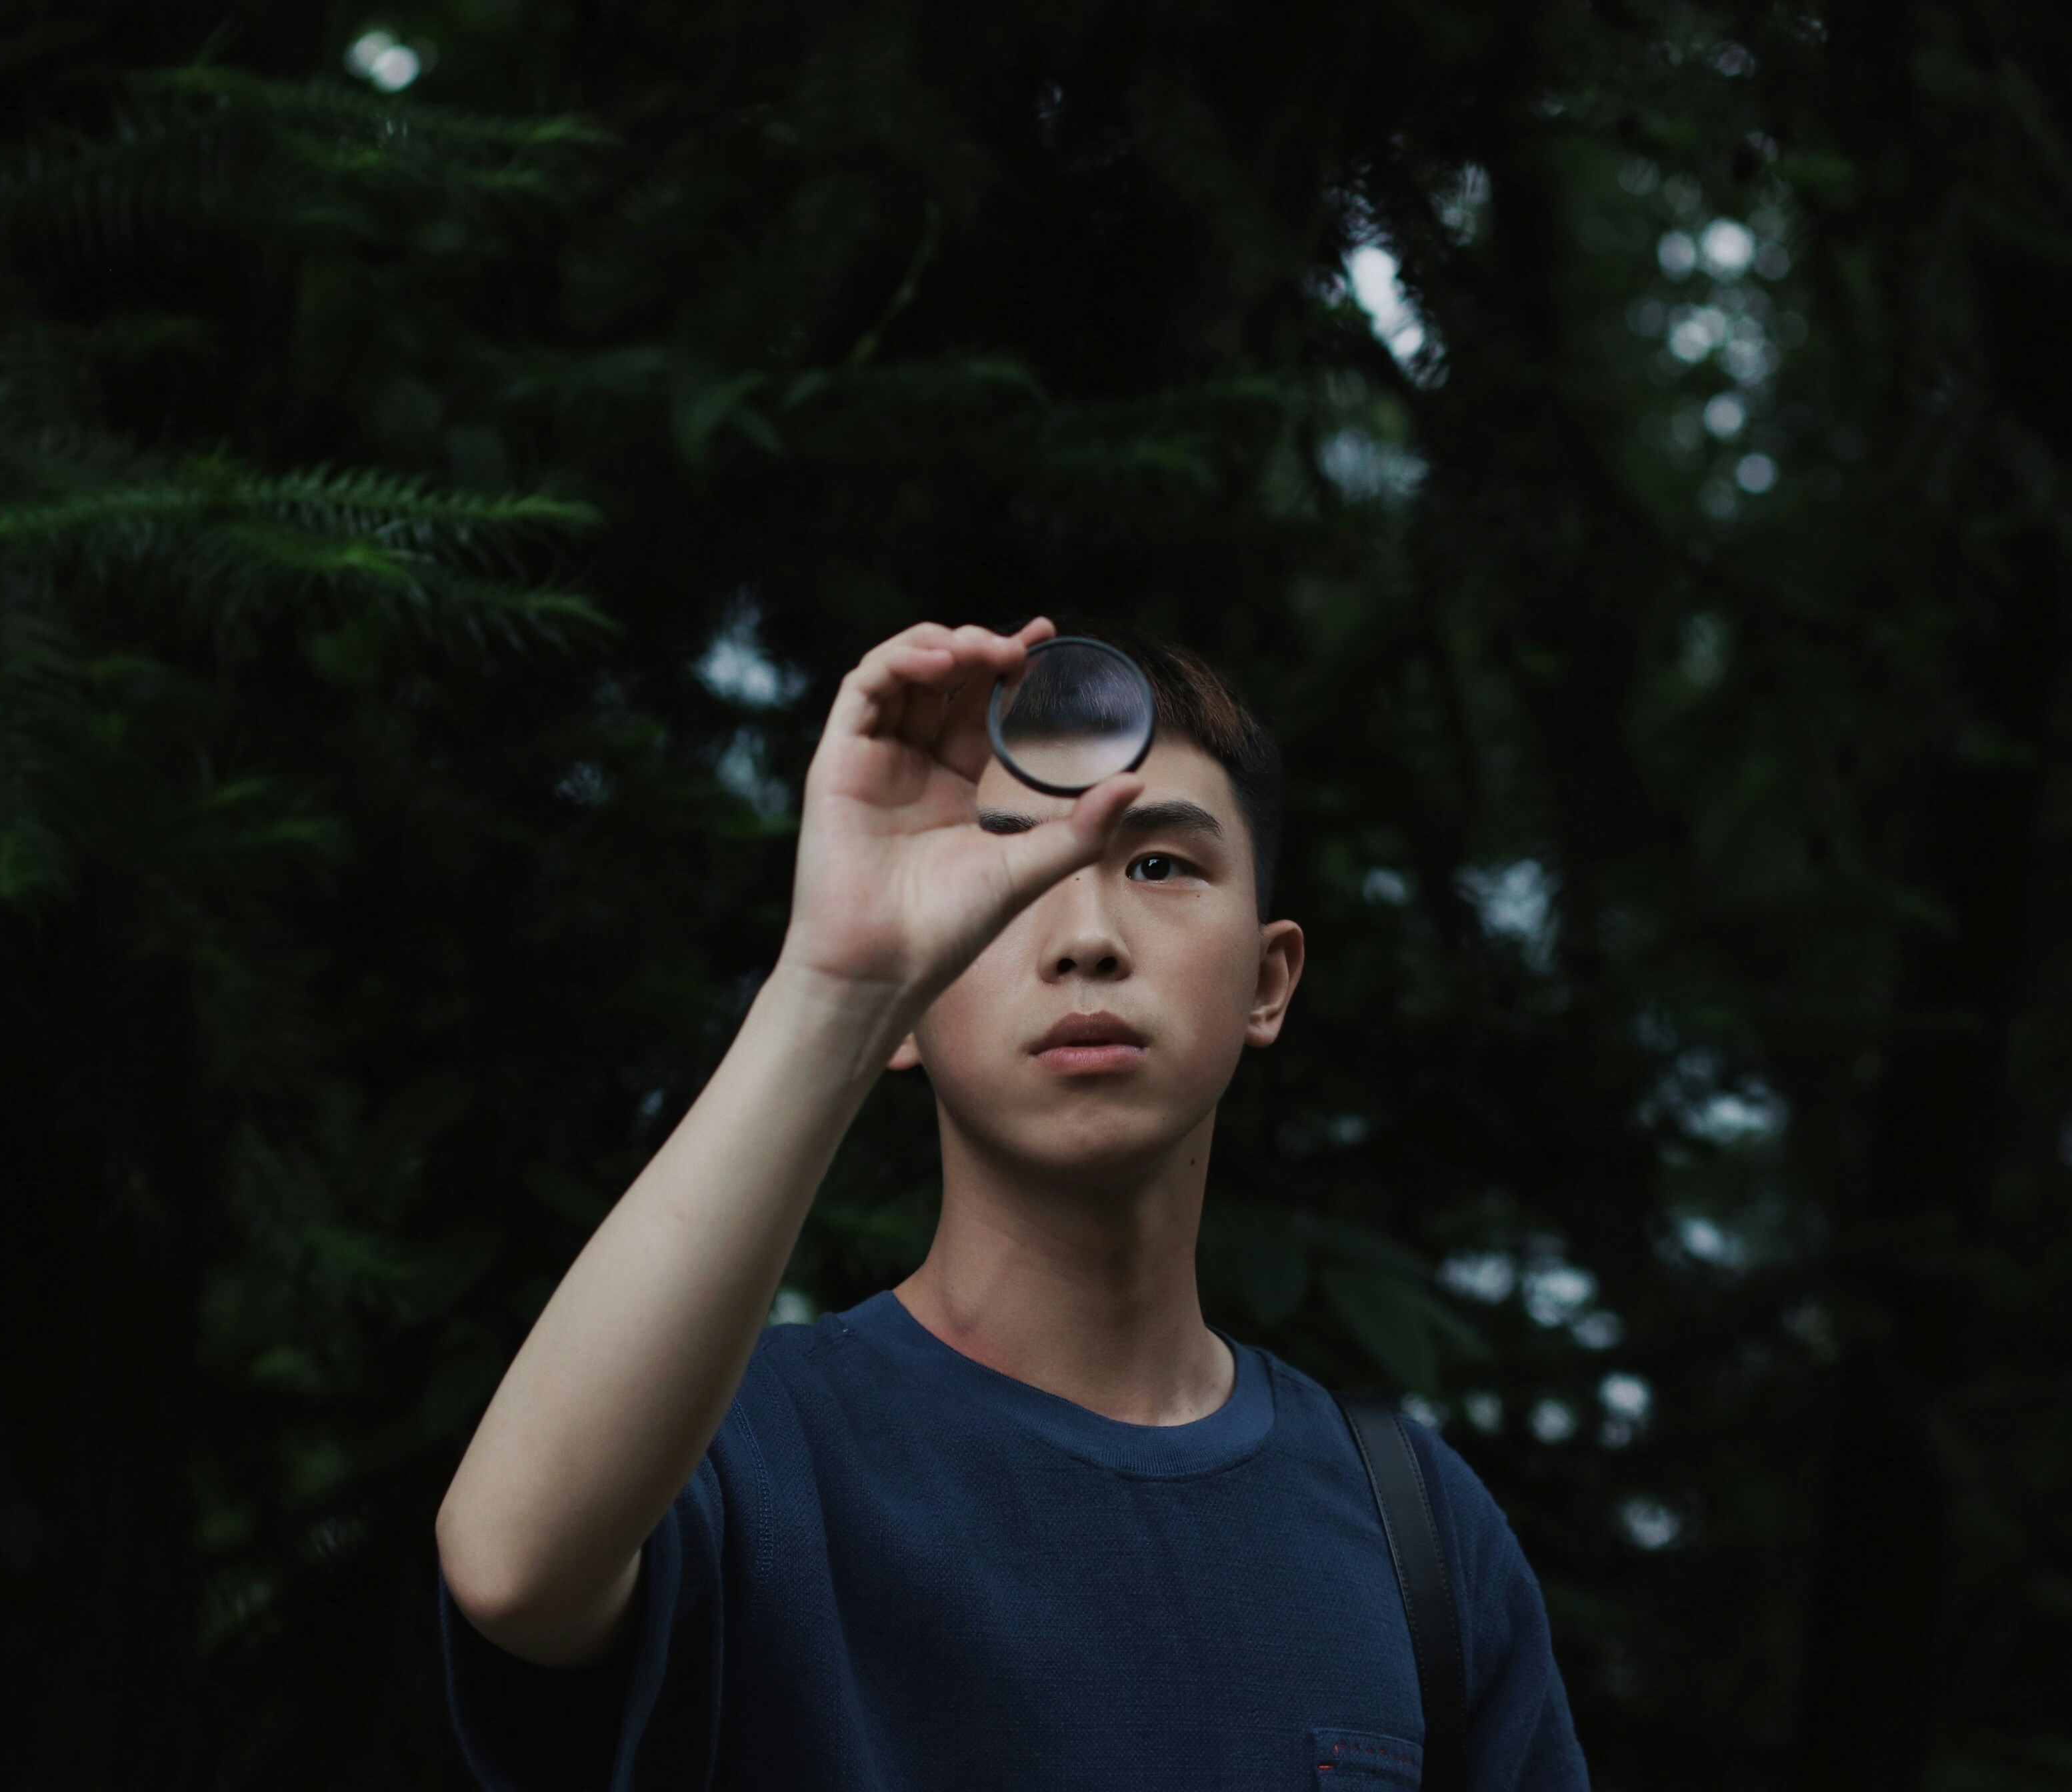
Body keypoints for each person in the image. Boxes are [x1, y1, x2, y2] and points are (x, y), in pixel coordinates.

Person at [435, 619, 1588, 1789]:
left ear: (1268, 977)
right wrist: (845, 981)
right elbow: (512, 1570)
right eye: (1010, 868)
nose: (1085, 937)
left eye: (1159, 866)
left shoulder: (1416, 1533)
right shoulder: (730, 1448)